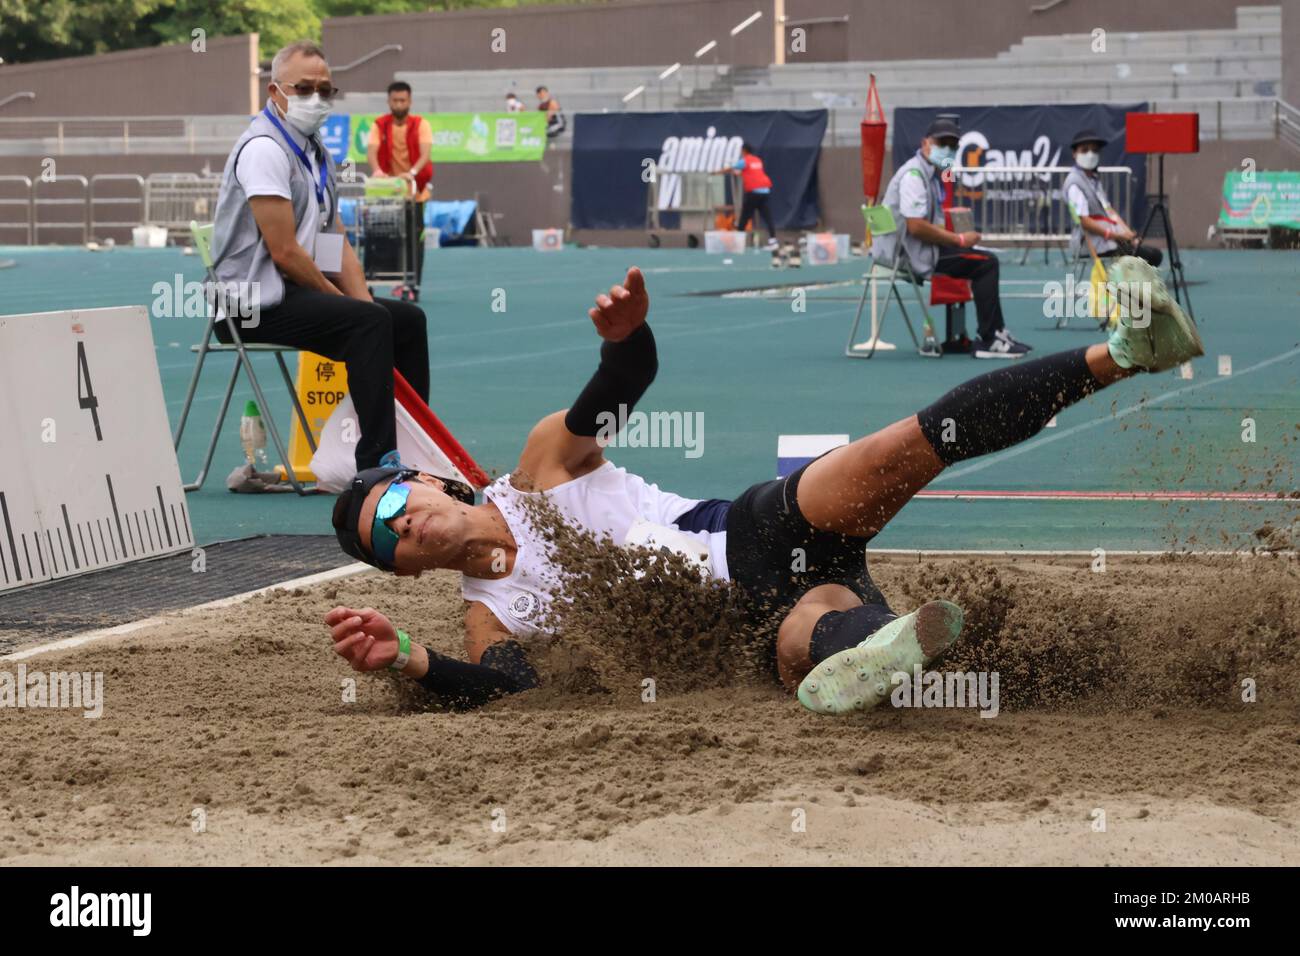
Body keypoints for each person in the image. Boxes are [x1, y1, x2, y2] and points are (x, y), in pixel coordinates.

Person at [324, 258, 1204, 716]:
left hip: (750, 533)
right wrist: (409, 657)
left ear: (430, 478)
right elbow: (506, 689)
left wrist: (626, 339)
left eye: (397, 505)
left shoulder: (542, 467)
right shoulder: (490, 613)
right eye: (387, 544)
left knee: (907, 444)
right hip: (739, 621)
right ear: (404, 576)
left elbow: (619, 391)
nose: (406, 529)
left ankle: (1124, 352)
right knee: (809, 642)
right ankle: (891, 648)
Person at [209, 40, 430, 472]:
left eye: (325, 89)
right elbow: (285, 251)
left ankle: (417, 446)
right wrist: (349, 304)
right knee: (366, 322)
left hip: (289, 290)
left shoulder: (315, 152)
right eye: (304, 88)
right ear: (275, 92)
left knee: (405, 319)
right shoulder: (264, 150)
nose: (316, 98)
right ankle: (377, 466)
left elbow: (336, 238)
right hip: (251, 303)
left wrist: (360, 296)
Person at [874, 117, 1031, 359]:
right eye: (941, 143)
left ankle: (997, 333)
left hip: (921, 250)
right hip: (912, 255)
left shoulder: (932, 174)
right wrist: (958, 240)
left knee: (982, 258)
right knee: (986, 264)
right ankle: (989, 339)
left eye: (952, 146)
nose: (946, 150)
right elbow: (915, 227)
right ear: (925, 143)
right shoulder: (914, 176)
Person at [366, 79, 433, 296]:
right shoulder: (379, 125)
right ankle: (373, 282)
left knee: (414, 241)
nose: (398, 104)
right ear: (388, 101)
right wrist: (377, 171)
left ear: (410, 101)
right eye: (394, 100)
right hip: (387, 192)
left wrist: (411, 174)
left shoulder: (421, 124)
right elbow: (372, 152)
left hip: (415, 192)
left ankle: (412, 285)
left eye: (402, 100)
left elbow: (425, 155)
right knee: (379, 238)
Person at [1065, 129, 1163, 268]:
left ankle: (1127, 287)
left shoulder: (1094, 180)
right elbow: (1085, 222)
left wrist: (1129, 235)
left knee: (1153, 254)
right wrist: (1116, 236)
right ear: (1074, 154)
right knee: (1151, 257)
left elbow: (1109, 211)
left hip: (1108, 242)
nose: (1090, 154)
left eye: (1094, 150)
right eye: (1084, 150)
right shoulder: (1074, 183)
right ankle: (1128, 288)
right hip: (1089, 245)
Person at [715, 142, 777, 248]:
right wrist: (738, 173)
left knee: (744, 217)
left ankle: (737, 243)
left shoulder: (745, 160)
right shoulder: (758, 160)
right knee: (768, 217)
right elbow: (747, 172)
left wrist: (716, 173)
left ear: (744, 151)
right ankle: (773, 242)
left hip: (753, 193)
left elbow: (731, 168)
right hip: (765, 192)